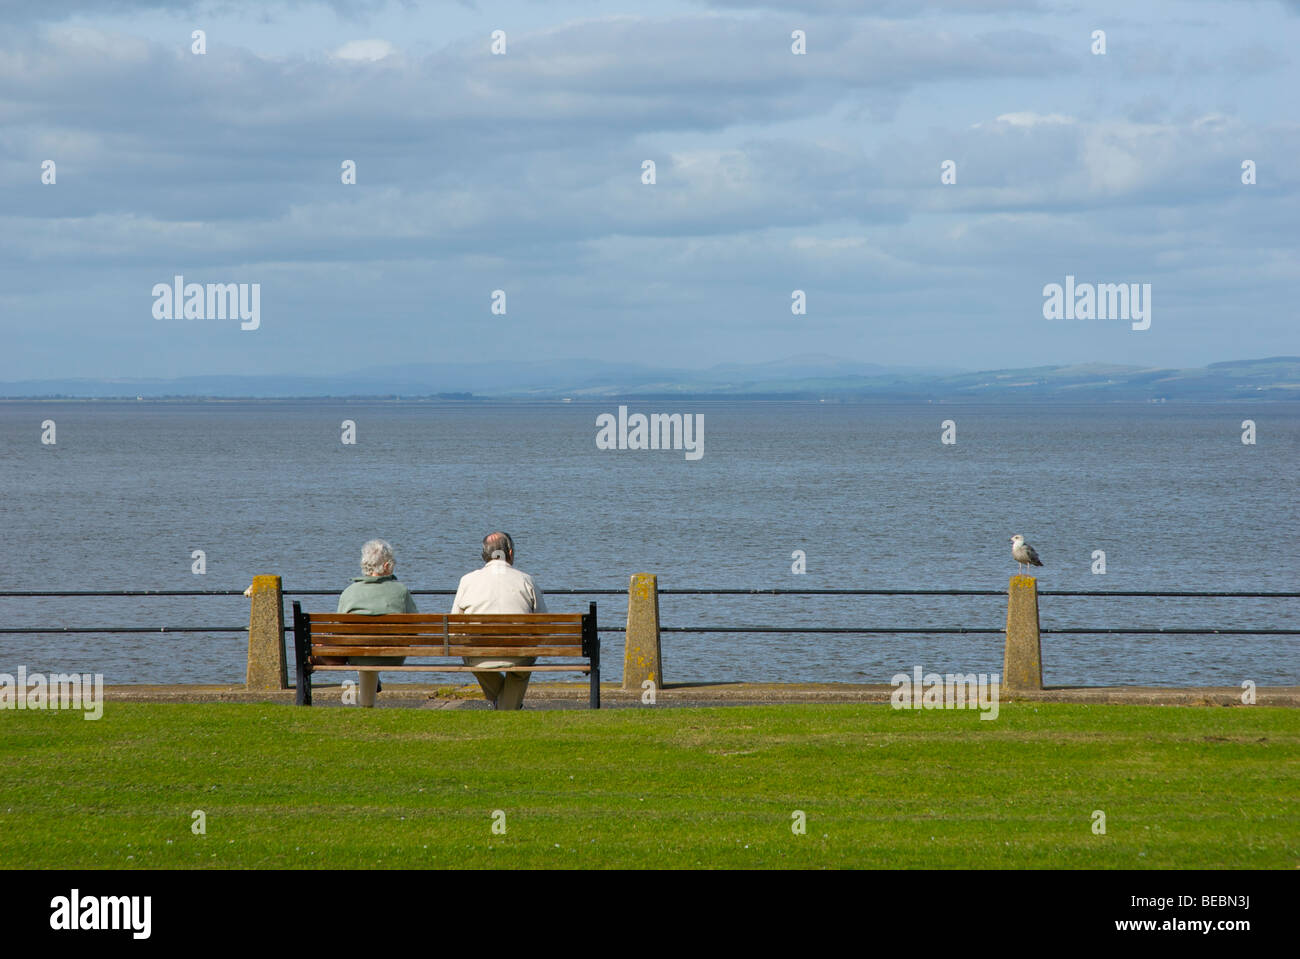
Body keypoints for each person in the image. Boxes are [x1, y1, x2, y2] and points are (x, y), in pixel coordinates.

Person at [451, 531, 546, 710]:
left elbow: (454, 627)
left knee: (470, 655)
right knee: (521, 668)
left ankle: (501, 704)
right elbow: (544, 624)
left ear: (484, 555)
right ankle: (507, 707)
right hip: (518, 655)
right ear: (510, 554)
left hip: (479, 654)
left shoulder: (467, 581)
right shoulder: (526, 580)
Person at [337, 538, 417, 707]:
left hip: (357, 655)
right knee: (369, 650)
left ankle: (367, 705)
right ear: (387, 566)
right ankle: (368, 703)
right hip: (392, 655)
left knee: (361, 650)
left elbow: (339, 631)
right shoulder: (400, 591)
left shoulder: (349, 593)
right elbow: (415, 628)